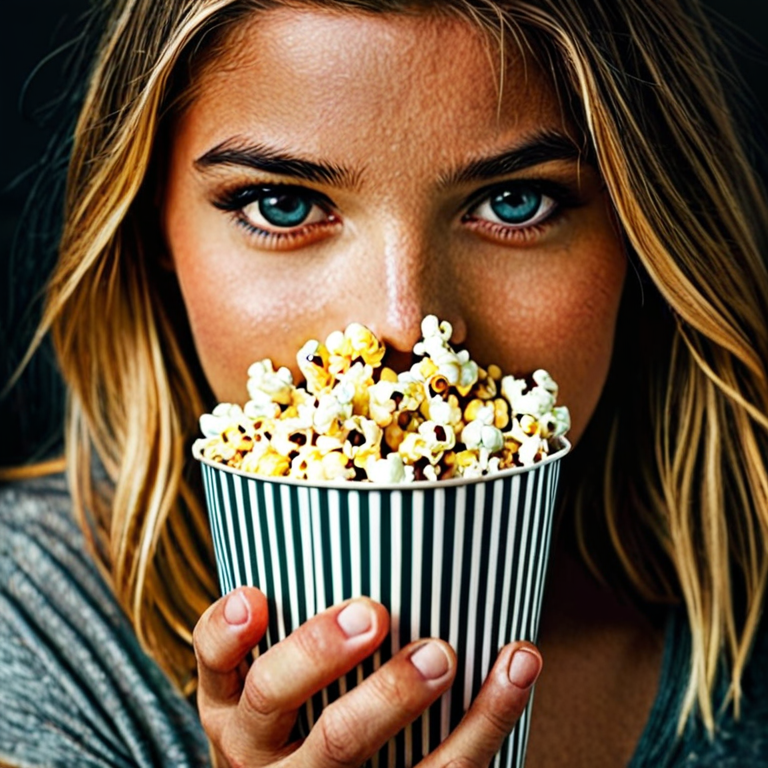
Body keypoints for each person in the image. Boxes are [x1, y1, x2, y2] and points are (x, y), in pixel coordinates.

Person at [1, 0, 767, 766]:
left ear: (648, 232)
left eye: (514, 202)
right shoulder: (30, 634)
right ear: (150, 228)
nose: (403, 326)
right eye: (283, 203)